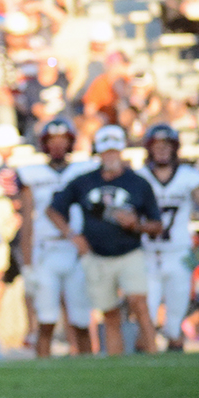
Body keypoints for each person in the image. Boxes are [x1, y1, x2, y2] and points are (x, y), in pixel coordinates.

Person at [49, 125, 163, 355]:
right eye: (106, 152)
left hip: (129, 251)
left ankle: (153, 355)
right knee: (109, 313)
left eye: (114, 151)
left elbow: (157, 224)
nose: (110, 157)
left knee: (138, 303)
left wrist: (136, 225)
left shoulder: (138, 183)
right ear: (99, 153)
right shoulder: (84, 181)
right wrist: (72, 235)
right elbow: (54, 209)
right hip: (97, 254)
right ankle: (116, 360)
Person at [16, 118, 97, 357]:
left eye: (63, 141)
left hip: (76, 250)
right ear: (44, 144)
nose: (58, 146)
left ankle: (86, 368)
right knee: (46, 319)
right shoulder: (33, 174)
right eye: (53, 141)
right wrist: (27, 263)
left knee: (81, 319)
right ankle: (43, 370)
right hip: (47, 249)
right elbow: (27, 221)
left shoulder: (84, 170)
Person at [137, 124, 199, 350]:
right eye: (157, 146)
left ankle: (173, 363)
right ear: (149, 148)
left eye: (167, 145)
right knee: (145, 317)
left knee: (175, 322)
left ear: (175, 148)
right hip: (147, 254)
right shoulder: (140, 177)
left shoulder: (187, 177)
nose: (162, 150)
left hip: (178, 253)